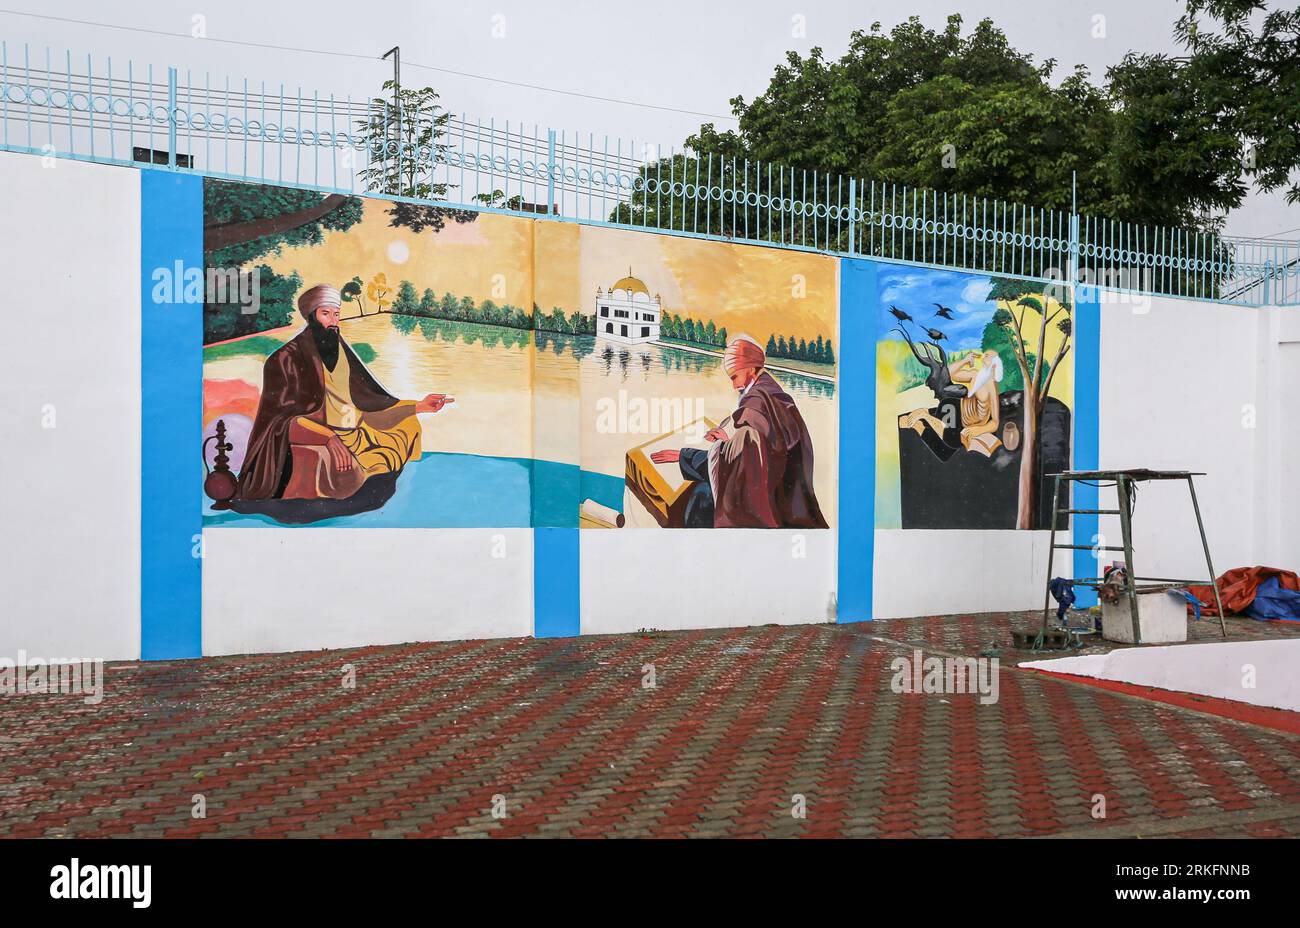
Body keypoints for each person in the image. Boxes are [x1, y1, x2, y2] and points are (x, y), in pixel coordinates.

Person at [237, 284, 451, 501]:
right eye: (325, 314)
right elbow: (281, 423)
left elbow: (369, 399)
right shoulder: (285, 359)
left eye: (336, 314)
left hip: (358, 430)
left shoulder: (338, 347)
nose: (332, 321)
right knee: (341, 470)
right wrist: (328, 437)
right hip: (319, 432)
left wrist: (420, 406)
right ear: (311, 316)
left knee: (409, 425)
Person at [650, 334, 826, 528]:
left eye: (735, 376)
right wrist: (729, 442)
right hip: (788, 502)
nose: (734, 385)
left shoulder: (757, 405)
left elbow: (737, 462)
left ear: (751, 369)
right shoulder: (773, 395)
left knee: (701, 496)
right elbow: (762, 450)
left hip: (772, 512)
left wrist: (683, 455)